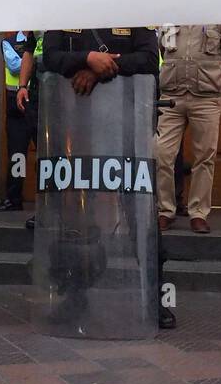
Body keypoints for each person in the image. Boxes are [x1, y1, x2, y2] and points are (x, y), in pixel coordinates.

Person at [42, 27, 174, 329]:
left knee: (141, 218)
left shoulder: (132, 12)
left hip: (125, 133)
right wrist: (87, 58)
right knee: (74, 224)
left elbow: (148, 59)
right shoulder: (64, 11)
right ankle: (74, 297)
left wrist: (100, 71)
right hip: (77, 131)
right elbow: (50, 57)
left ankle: (156, 300)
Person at [155, 24, 221, 233]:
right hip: (172, 97)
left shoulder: (219, 17)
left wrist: (207, 76)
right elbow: (162, 51)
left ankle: (198, 214)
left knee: (205, 156)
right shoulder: (168, 16)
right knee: (161, 153)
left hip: (206, 98)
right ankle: (165, 211)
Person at [0, 30, 40, 217]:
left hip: (35, 100)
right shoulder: (9, 41)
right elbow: (13, 66)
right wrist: (37, 61)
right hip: (15, 105)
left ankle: (44, 198)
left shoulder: (40, 38)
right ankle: (13, 198)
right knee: (16, 155)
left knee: (43, 152)